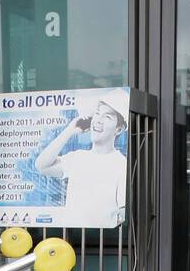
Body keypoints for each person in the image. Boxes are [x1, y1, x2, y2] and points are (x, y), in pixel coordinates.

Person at [35, 93, 129, 227]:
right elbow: (41, 166)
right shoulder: (77, 157)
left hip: (99, 242)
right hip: (68, 241)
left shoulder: (121, 164)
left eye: (107, 117)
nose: (98, 120)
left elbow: (123, 213)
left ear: (118, 129)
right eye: (97, 113)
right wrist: (69, 131)